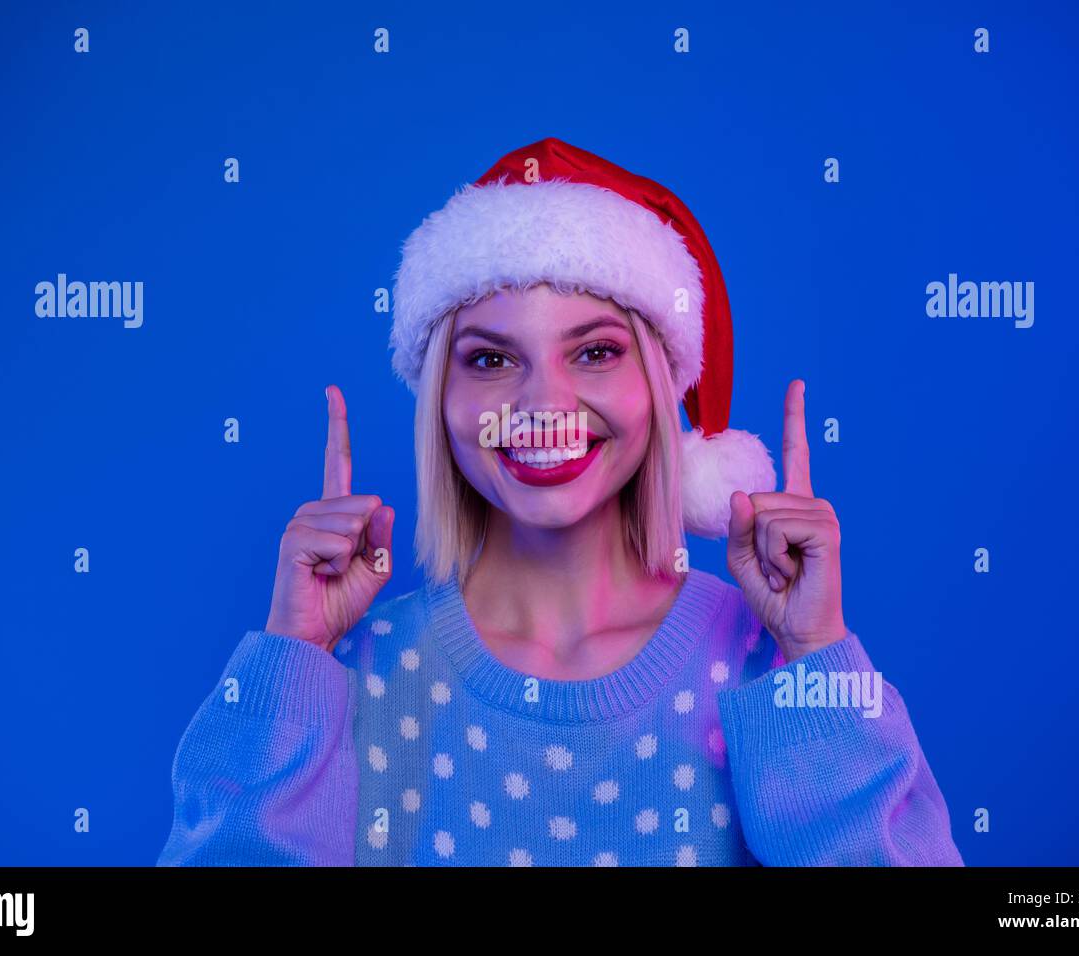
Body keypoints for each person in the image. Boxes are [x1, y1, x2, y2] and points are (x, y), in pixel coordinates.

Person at [156, 138, 963, 867]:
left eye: (597, 350)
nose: (543, 403)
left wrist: (815, 654)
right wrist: (292, 657)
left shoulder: (769, 667)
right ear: (441, 397)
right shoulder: (353, 673)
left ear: (658, 384)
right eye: (492, 359)